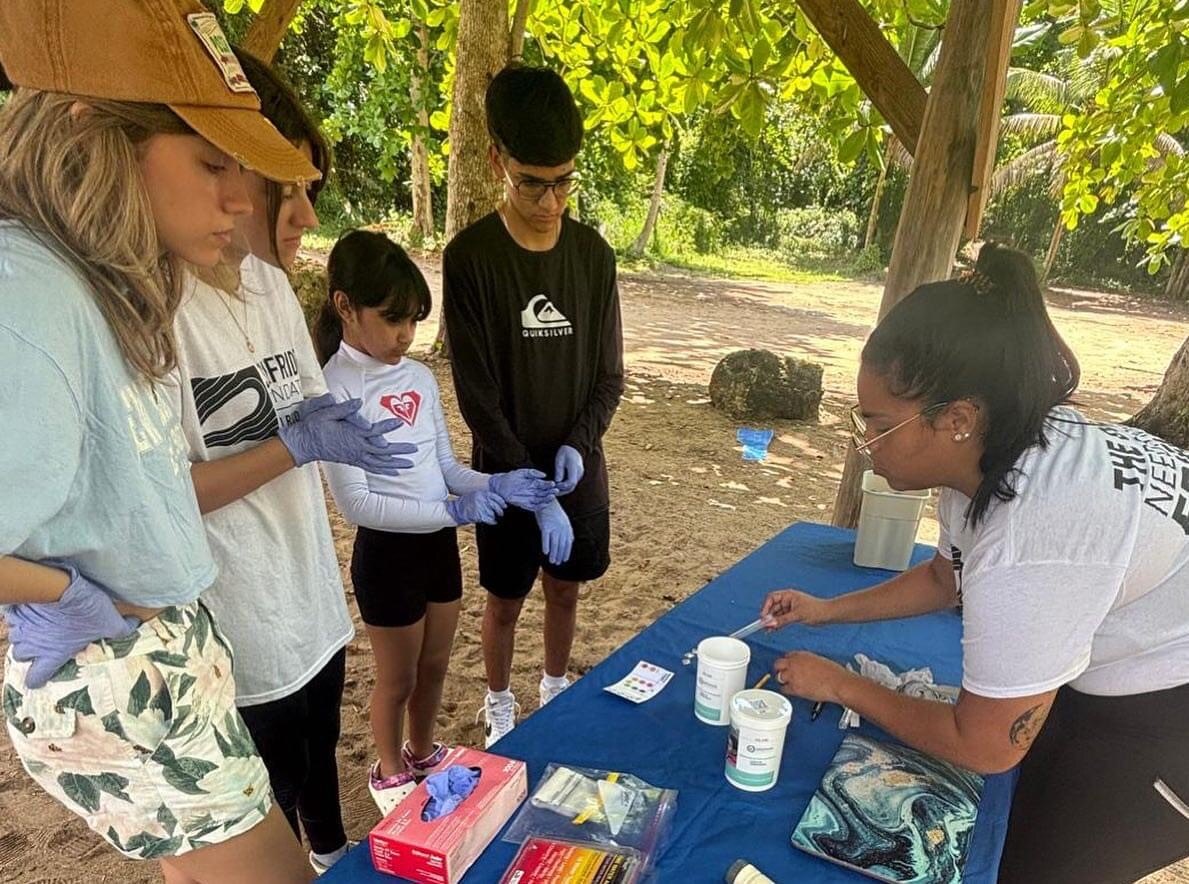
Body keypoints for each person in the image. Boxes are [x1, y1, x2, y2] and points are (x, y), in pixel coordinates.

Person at [0, 2, 400, 882]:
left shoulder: (91, 279)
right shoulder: (27, 291)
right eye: (212, 163)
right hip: (119, 663)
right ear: (92, 134)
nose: (241, 197)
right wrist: (61, 591)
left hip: (166, 651)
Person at [762, 243, 1189, 883]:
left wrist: (840, 684)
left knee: (1036, 862)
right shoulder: (1006, 448)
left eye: (874, 424)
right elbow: (946, 575)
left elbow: (985, 744)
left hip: (1168, 718)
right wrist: (826, 612)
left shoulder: (1038, 530)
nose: (861, 444)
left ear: (957, 418)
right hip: (1130, 660)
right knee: (1019, 799)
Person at [169, 51, 405, 875]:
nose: (306, 217)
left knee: (316, 752)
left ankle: (332, 849)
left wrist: (349, 429)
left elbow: (305, 398)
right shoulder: (153, 305)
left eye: (311, 190)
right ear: (225, 177)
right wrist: (293, 446)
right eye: (287, 188)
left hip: (305, 595)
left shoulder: (269, 283)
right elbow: (159, 497)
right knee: (250, 814)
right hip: (231, 628)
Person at [316, 230, 557, 812]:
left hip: (438, 550)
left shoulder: (418, 378)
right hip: (388, 556)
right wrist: (452, 511)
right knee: (395, 679)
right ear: (345, 306)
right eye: (392, 318)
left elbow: (446, 466)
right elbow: (359, 505)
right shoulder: (332, 387)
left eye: (414, 321)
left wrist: (495, 483)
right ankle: (391, 768)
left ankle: (422, 750)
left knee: (435, 667)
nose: (405, 335)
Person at [442, 65, 625, 746]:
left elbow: (609, 376)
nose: (550, 203)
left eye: (563, 182)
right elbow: (476, 393)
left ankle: (552, 689)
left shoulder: (592, 257)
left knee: (566, 588)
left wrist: (578, 445)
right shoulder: (472, 257)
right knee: (505, 598)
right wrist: (526, 484)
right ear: (497, 160)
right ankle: (498, 702)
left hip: (577, 469)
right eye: (531, 183)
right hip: (507, 470)